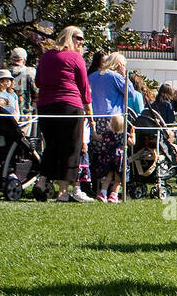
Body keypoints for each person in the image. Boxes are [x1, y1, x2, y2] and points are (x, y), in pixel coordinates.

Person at [35, 26, 96, 203]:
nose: (81, 42)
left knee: (52, 145)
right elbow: (84, 88)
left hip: (46, 106)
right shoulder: (75, 57)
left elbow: (38, 82)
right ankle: (62, 192)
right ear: (69, 37)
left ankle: (42, 181)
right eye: (79, 38)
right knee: (71, 148)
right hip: (69, 105)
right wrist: (90, 114)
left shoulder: (46, 56)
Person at [87, 52, 130, 203]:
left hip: (96, 118)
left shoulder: (92, 76)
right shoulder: (115, 76)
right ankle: (111, 191)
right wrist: (124, 75)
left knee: (100, 155)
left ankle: (96, 186)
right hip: (114, 119)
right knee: (116, 156)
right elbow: (129, 92)